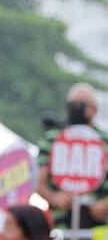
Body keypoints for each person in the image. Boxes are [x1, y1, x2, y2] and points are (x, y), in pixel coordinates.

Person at [36, 83, 108, 229]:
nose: (75, 108)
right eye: (71, 104)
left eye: (80, 104)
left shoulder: (105, 141)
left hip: (100, 226)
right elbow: (39, 184)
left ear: (94, 109)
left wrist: (104, 204)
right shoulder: (51, 139)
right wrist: (54, 197)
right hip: (59, 225)